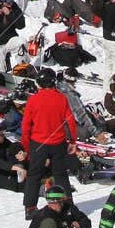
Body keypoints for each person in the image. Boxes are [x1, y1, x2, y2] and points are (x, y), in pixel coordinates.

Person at [20, 68, 78, 216]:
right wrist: (72, 140)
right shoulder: (61, 98)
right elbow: (70, 120)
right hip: (58, 143)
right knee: (60, 175)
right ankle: (68, 206)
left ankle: (30, 208)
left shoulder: (33, 100)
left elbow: (26, 125)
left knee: (34, 175)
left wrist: (26, 146)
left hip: (38, 143)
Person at [24, 185, 93, 228]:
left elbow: (86, 222)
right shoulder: (43, 217)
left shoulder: (69, 209)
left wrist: (79, 225)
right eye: (52, 202)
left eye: (60, 202)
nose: (58, 205)